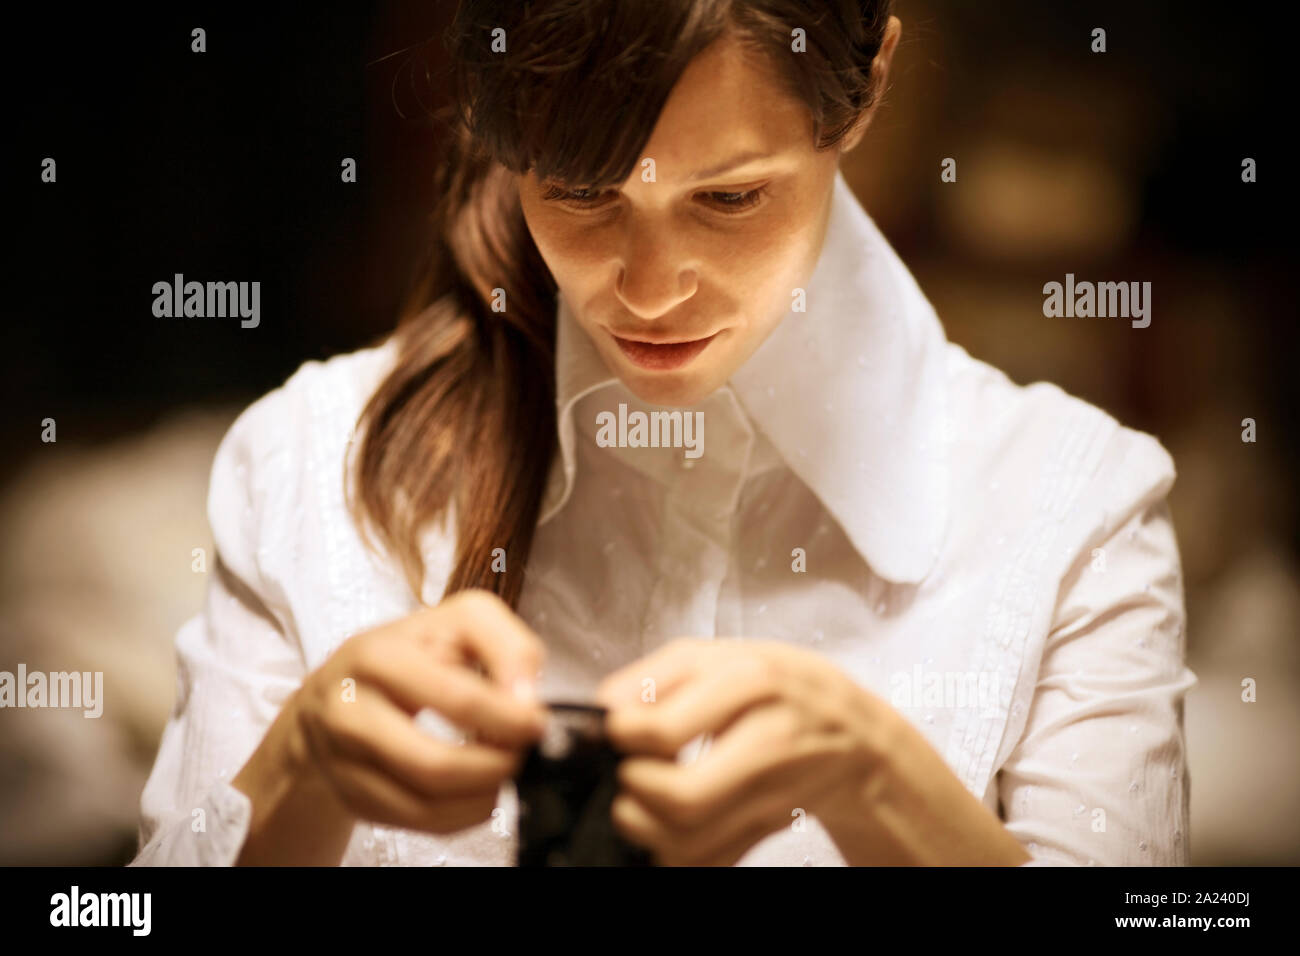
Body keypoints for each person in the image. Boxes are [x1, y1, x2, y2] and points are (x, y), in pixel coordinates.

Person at [131, 0, 1195, 867]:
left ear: (865, 87)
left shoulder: (1075, 511)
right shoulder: (305, 461)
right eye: (582, 194)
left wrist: (879, 786)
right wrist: (291, 783)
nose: (647, 292)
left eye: (728, 197)